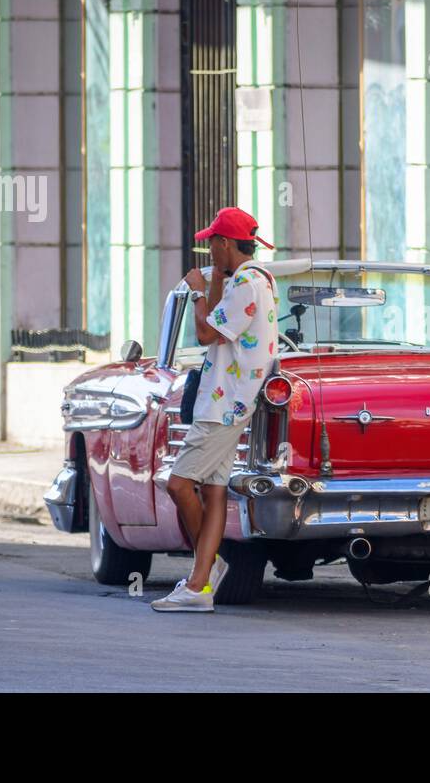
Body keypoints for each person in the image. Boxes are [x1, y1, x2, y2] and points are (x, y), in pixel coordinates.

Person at [151, 207, 279, 612]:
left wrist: (197, 292)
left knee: (178, 483)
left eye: (212, 244)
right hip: (234, 399)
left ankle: (203, 573)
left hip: (224, 403)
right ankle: (201, 582)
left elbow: (206, 333)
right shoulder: (255, 279)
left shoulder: (245, 283)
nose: (208, 253)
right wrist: (217, 281)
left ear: (225, 243)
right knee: (214, 489)